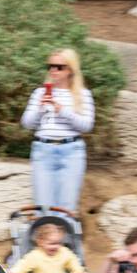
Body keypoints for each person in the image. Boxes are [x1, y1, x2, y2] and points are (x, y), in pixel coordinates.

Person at [20, 48, 96, 213]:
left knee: (66, 209)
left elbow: (87, 125)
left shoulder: (82, 94)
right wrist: (41, 107)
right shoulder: (40, 93)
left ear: (70, 70)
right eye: (50, 66)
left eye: (59, 66)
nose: (53, 70)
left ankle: (64, 239)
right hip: (43, 151)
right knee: (43, 209)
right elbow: (26, 123)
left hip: (72, 152)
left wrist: (62, 111)